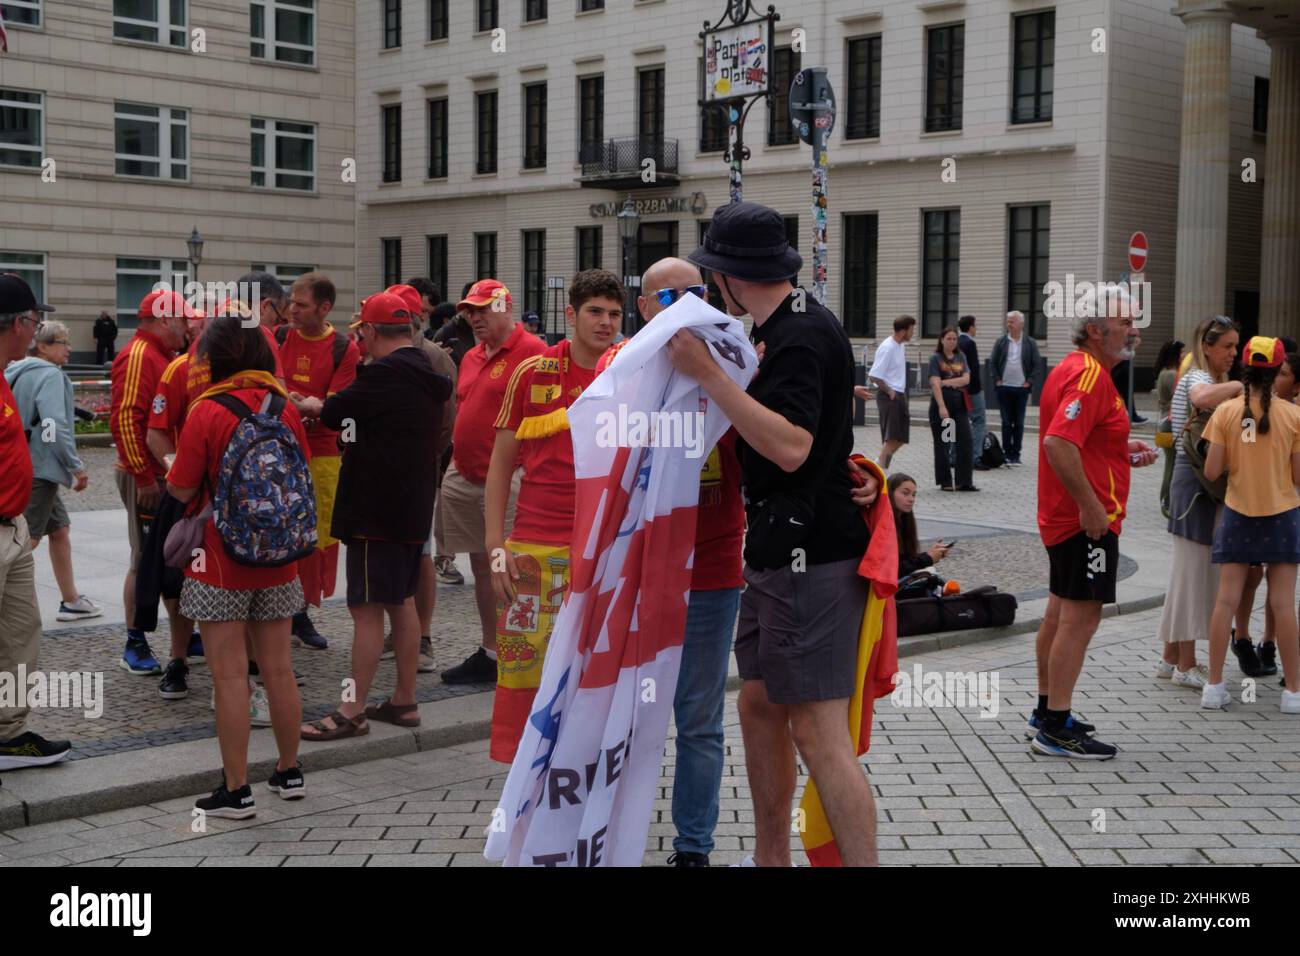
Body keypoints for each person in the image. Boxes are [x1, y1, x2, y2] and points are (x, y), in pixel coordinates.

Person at [669, 201, 877, 867]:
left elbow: (791, 447)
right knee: (758, 705)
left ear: (731, 276)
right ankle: (769, 859)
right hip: (776, 551)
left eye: (710, 276)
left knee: (819, 729)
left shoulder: (797, 337)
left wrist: (708, 377)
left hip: (806, 557)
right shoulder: (783, 326)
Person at [167, 315, 310, 817]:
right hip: (280, 557)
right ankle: (290, 772)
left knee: (230, 677)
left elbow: (181, 488)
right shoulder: (284, 406)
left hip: (220, 559)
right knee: (279, 669)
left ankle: (237, 789)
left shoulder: (207, 410)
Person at [298, 292, 451, 740]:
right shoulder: (426, 371)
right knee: (401, 604)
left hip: (375, 513)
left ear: (369, 331)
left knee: (365, 611)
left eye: (361, 329)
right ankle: (404, 700)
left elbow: (336, 411)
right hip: (410, 508)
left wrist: (310, 404)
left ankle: (351, 709)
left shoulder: (384, 373)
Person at [484, 269, 621, 762]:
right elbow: (500, 468)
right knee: (523, 671)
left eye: (613, 313)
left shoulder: (626, 374)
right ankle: (525, 782)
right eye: (594, 312)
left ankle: (581, 775)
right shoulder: (532, 372)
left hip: (602, 553)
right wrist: (495, 549)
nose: (605, 323)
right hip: (531, 554)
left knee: (593, 674)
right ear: (570, 315)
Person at [1032, 290, 1158, 759]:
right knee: (1080, 619)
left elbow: (1080, 441)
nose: (1134, 330)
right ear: (1095, 330)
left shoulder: (1081, 371)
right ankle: (1057, 728)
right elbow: (1057, 444)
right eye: (1124, 322)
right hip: (1084, 522)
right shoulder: (1088, 377)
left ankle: (1047, 711)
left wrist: (1121, 453)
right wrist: (1090, 506)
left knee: (1059, 613)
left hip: (1069, 516)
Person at [438, 280, 546, 685]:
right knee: (483, 567)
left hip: (508, 479)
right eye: (470, 311)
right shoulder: (472, 356)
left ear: (506, 307)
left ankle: (525, 650)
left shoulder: (534, 353)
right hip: (466, 476)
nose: (475, 318)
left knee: (516, 568)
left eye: (484, 310)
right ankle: (492, 650)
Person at [1201, 336, 1300, 714]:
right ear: (1278, 372)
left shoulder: (1227, 412)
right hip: (1283, 513)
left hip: (1238, 512)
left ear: (1244, 368)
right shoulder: (1293, 416)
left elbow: (1212, 470)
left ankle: (1214, 686)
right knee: (1283, 604)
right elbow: (1297, 473)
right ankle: (1293, 692)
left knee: (1225, 600)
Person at [0, 274, 72, 773]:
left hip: (13, 527)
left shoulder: (5, 371)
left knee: (21, 632)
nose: (37, 329)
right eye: (34, 321)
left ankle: (8, 734)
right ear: (20, 323)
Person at [1154, 317, 1241, 688]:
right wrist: (1240, 385)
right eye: (1227, 347)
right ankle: (1187, 665)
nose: (1232, 354)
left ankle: (1170, 657)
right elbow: (1201, 400)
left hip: (1193, 486)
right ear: (1207, 346)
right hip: (1195, 488)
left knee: (1186, 577)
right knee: (1193, 577)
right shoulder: (1198, 378)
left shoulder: (1207, 377)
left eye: (1236, 347)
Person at [376, 282, 458, 672]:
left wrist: (426, 463)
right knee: (401, 554)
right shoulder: (382, 354)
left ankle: (421, 637)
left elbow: (445, 423)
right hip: (389, 475)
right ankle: (404, 633)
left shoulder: (433, 359)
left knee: (420, 555)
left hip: (417, 475)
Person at [110, 290, 191, 676]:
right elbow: (126, 418)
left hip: (158, 474)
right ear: (164, 320)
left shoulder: (161, 355)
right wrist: (143, 474)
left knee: (167, 557)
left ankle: (181, 634)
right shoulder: (141, 356)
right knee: (145, 559)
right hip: (145, 476)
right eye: (183, 319)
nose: (189, 325)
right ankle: (135, 640)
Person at [280, 272, 359, 651]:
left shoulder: (344, 348)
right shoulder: (279, 337)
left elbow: (334, 408)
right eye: (291, 302)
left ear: (324, 308)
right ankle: (284, 608)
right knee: (282, 528)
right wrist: (304, 404)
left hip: (324, 454)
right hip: (282, 447)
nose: (292, 309)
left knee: (316, 535)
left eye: (301, 304)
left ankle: (301, 611)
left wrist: (300, 403)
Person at [5, 319, 100, 621]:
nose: (69, 350)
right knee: (25, 540)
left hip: (22, 461)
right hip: (40, 469)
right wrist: (74, 464)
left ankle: (70, 600)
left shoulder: (12, 370)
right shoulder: (50, 375)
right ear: (43, 346)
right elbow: (50, 424)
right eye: (62, 342)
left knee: (59, 530)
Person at [927, 327, 976, 492]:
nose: (952, 341)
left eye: (955, 339)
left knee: (965, 440)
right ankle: (945, 481)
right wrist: (941, 406)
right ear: (942, 340)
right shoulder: (936, 358)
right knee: (944, 443)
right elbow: (935, 383)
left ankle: (964, 481)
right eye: (949, 338)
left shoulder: (961, 356)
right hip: (943, 405)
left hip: (959, 403)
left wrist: (946, 382)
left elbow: (967, 379)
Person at [990, 310, 1041, 465]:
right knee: (1006, 422)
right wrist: (997, 379)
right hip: (1004, 387)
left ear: (1021, 324)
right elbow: (993, 362)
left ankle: (1016, 454)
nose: (1009, 324)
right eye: (1008, 321)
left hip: (1021, 388)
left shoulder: (1030, 342)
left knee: (1018, 422)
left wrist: (1029, 381)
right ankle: (1006, 453)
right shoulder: (1001, 342)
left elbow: (1036, 364)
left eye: (1012, 321)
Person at [888, 473, 951, 592]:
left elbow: (906, 561)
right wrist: (927, 558)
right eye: (905, 493)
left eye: (913, 494)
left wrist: (930, 554)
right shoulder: (884, 526)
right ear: (890, 493)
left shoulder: (904, 522)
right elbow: (893, 570)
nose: (911, 499)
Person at [869, 315, 914, 468]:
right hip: (889, 396)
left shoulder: (900, 345)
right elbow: (874, 376)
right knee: (892, 437)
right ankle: (880, 468)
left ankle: (879, 463)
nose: (912, 333)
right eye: (911, 330)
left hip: (899, 394)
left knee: (901, 438)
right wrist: (889, 390)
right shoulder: (887, 347)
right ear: (903, 331)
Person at [1154, 339, 1185, 517]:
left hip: (1163, 424)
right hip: (1170, 424)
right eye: (1182, 353)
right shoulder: (1172, 374)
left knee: (1169, 463)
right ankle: (1167, 500)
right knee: (1172, 465)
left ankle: (1167, 499)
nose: (1184, 356)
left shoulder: (1164, 372)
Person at [957, 315, 987, 468]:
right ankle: (975, 456)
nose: (976, 329)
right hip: (971, 390)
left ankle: (953, 456)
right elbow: (973, 369)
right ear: (970, 327)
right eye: (975, 326)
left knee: (956, 422)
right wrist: (976, 389)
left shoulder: (954, 342)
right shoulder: (970, 344)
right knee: (979, 421)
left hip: (956, 389)